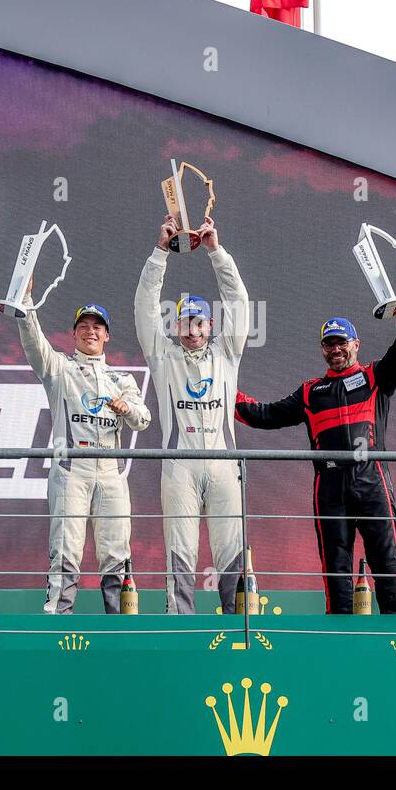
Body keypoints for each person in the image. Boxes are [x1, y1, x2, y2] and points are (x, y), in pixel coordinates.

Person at [235, 271, 396, 614]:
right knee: (336, 570)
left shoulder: (375, 377)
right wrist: (223, 393)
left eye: (342, 342)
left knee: (386, 563)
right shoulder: (311, 392)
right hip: (329, 486)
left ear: (356, 345)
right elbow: (264, 414)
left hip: (371, 479)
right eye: (329, 343)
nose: (336, 349)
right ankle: (339, 642)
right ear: (322, 349)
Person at [135, 215, 250, 613]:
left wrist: (216, 251)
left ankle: (237, 625)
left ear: (210, 324)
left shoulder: (227, 353)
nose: (193, 330)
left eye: (199, 322)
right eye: (185, 321)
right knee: (179, 546)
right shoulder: (163, 356)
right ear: (177, 323)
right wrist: (160, 252)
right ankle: (179, 622)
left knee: (231, 545)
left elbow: (237, 299)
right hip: (178, 466)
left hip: (223, 466)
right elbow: (145, 306)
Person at [17, 293, 152, 613]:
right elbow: (35, 343)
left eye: (97, 327)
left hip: (111, 472)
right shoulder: (59, 369)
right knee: (65, 549)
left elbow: (144, 419)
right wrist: (26, 309)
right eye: (84, 326)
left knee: (116, 551)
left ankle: (122, 629)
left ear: (107, 336)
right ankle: (56, 625)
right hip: (70, 470)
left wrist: (127, 408)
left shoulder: (121, 379)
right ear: (74, 333)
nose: (90, 331)